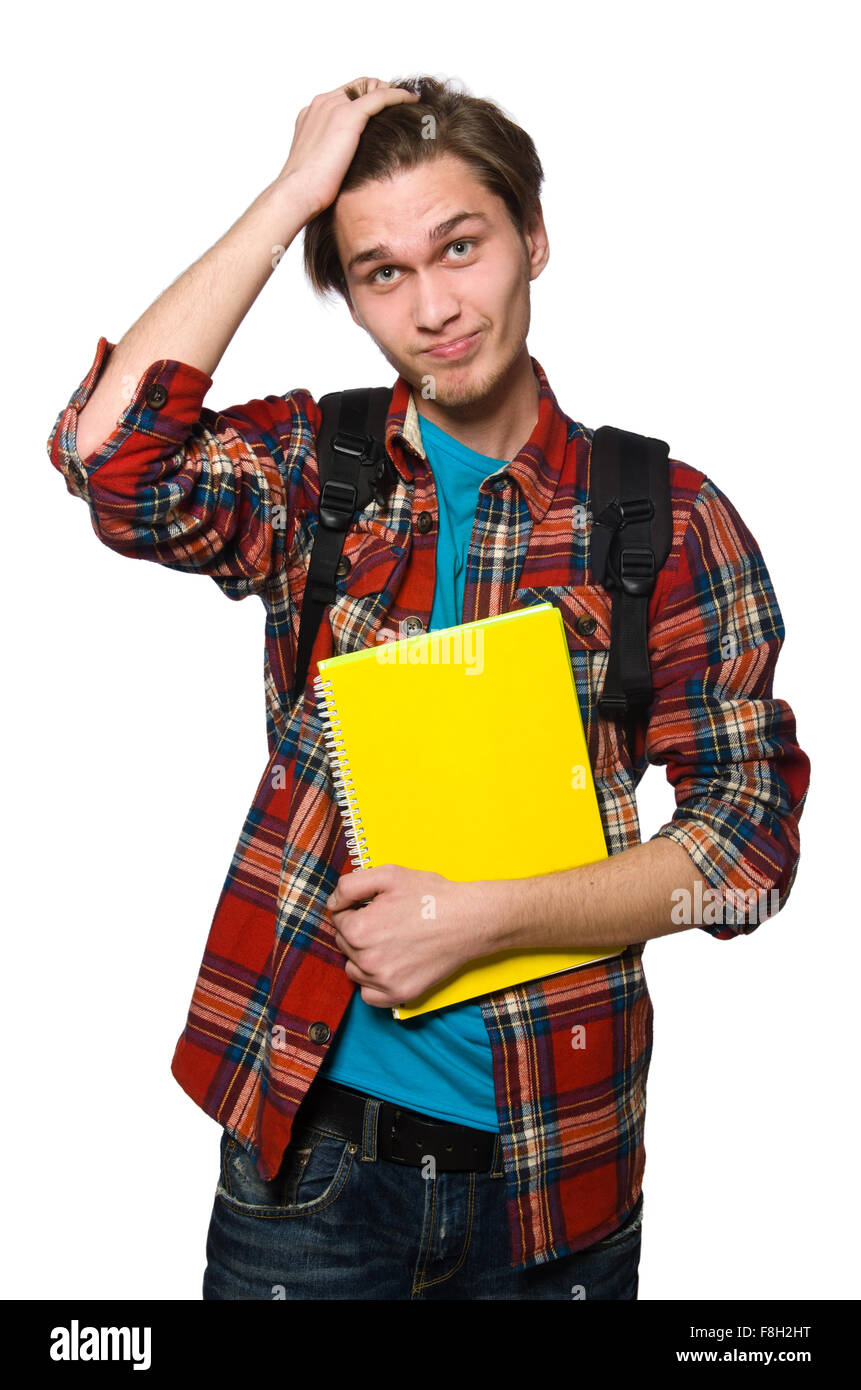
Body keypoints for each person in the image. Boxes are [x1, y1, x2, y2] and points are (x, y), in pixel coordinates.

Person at [46, 74, 810, 1301]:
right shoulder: (319, 472)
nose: (436, 307)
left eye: (461, 246)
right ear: (350, 296)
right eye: (382, 272)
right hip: (308, 1169)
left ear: (533, 239)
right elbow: (109, 461)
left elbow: (748, 858)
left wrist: (485, 920)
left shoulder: (665, 521)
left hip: (553, 1179)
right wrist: (294, 192)